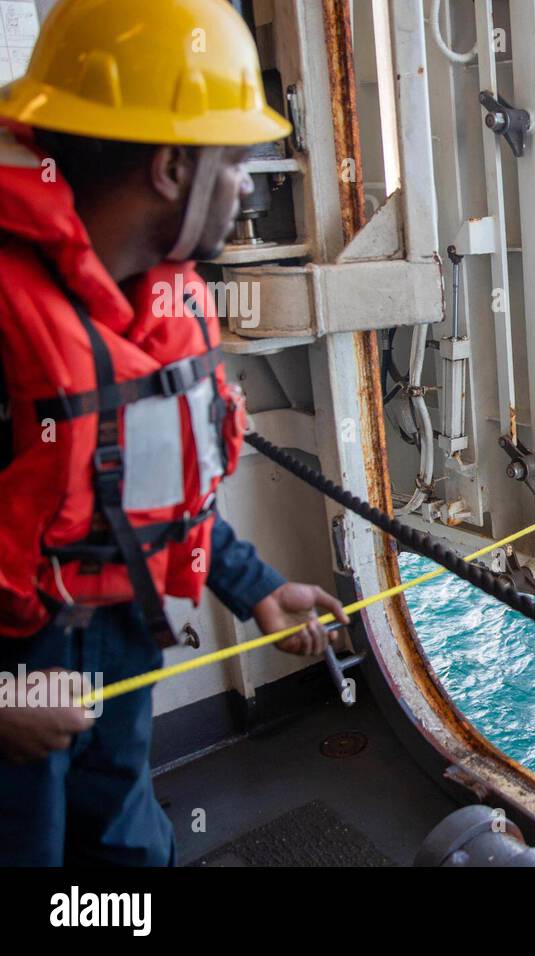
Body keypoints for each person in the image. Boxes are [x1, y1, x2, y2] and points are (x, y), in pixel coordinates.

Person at [0, 0, 349, 867]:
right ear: (169, 169)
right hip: (18, 662)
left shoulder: (168, 302)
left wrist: (256, 587)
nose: (247, 188)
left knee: (125, 844)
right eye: (233, 164)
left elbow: (153, 487)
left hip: (120, 639)